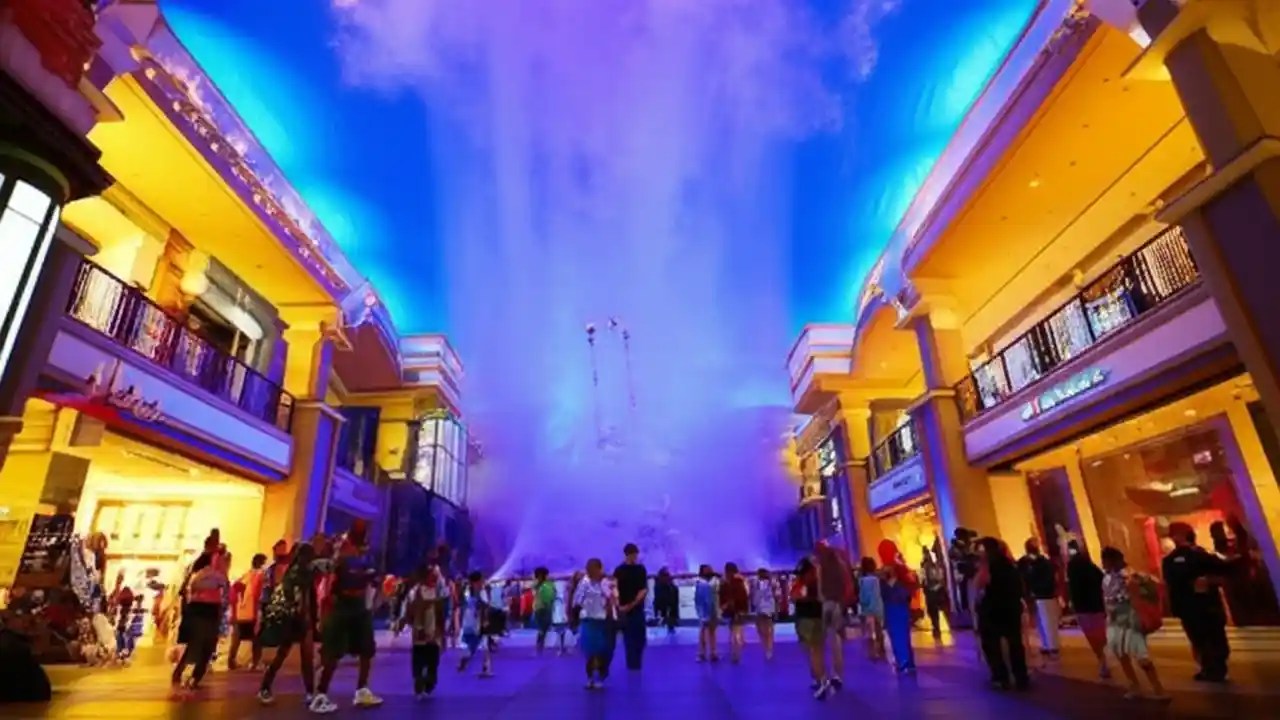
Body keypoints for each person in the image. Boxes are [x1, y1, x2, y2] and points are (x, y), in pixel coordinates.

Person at [315, 523, 383, 710]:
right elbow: (329, 585)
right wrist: (324, 612)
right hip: (342, 606)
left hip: (359, 607)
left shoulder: (364, 558)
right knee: (333, 652)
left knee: (366, 649)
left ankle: (362, 690)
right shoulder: (340, 557)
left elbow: (372, 580)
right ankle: (321, 693)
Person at [1162, 522, 1230, 682]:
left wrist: (1208, 581)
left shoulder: (1180, 558)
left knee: (1206, 638)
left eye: (1174, 533)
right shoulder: (1195, 555)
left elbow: (1223, 574)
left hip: (1200, 606)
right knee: (1205, 638)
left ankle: (1213, 668)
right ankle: (1211, 668)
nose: (1172, 537)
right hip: (1199, 606)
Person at [1102, 546, 1170, 701]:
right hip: (1115, 620)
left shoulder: (1131, 576)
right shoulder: (1107, 577)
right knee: (1122, 654)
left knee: (1141, 655)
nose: (1103, 563)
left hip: (1130, 618)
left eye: (1105, 560)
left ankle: (1158, 689)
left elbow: (1146, 592)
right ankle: (1135, 686)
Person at [258, 543, 320, 710]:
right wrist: (309, 617)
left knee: (288, 654)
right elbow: (302, 598)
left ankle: (267, 687)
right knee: (298, 656)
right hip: (298, 619)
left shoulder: (294, 573)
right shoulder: (300, 574)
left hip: (295, 619)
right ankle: (308, 692)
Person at [975, 537, 1029, 690]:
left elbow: (980, 585)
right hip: (1011, 608)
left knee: (992, 644)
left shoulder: (989, 566)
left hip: (993, 609)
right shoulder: (1010, 565)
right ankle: (1020, 675)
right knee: (1015, 643)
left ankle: (1000, 676)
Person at [172, 549, 228, 694]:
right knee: (205, 646)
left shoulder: (197, 575)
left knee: (197, 645)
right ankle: (192, 677)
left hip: (201, 611)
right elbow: (222, 589)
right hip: (207, 611)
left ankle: (182, 674)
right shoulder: (212, 575)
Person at [1065, 540, 1110, 679]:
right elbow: (1101, 578)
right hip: (1096, 604)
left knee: (1091, 634)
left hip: (1083, 606)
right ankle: (1104, 657)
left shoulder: (1072, 566)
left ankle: (1102, 659)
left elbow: (1073, 587)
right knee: (1099, 632)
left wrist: (1072, 602)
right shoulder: (1090, 565)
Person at [401, 564, 447, 700]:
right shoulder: (415, 592)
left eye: (435, 576)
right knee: (419, 661)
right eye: (432, 576)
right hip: (420, 633)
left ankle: (429, 685)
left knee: (433, 662)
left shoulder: (439, 592)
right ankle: (419, 685)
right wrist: (414, 624)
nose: (434, 578)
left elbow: (442, 612)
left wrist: (443, 633)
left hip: (434, 632)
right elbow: (408, 611)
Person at [572, 558, 617, 689]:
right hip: (588, 621)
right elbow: (577, 601)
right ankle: (591, 677)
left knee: (604, 651)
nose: (590, 571)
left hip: (603, 622)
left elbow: (612, 599)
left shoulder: (605, 582)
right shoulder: (584, 583)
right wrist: (574, 617)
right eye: (588, 568)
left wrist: (612, 611)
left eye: (594, 568)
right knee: (591, 651)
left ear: (599, 569)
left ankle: (601, 676)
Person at [814, 541, 852, 689]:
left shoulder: (820, 566)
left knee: (823, 641)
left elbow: (819, 591)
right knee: (836, 640)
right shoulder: (840, 564)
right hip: (838, 603)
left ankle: (823, 675)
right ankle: (838, 674)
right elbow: (847, 585)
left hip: (826, 604)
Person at [877, 540, 918, 675]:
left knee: (896, 634)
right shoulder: (901, 566)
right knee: (905, 634)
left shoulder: (888, 569)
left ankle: (903, 661)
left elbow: (889, 586)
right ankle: (909, 662)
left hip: (892, 605)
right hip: (903, 604)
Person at [791, 557, 829, 699]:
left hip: (805, 618)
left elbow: (794, 596)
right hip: (818, 617)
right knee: (818, 650)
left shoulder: (802, 583)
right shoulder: (819, 581)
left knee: (811, 651)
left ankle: (820, 680)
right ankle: (821, 678)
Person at [1018, 538, 1061, 657]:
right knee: (1043, 621)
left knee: (1046, 621)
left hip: (1042, 595)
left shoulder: (1039, 563)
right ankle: (1048, 645)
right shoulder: (1035, 562)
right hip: (1040, 595)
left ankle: (1051, 646)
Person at [612, 543, 649, 671]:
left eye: (636, 554)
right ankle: (633, 664)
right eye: (633, 554)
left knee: (640, 638)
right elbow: (614, 589)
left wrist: (631, 604)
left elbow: (643, 589)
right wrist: (619, 605)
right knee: (629, 638)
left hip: (636, 608)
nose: (635, 557)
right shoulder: (619, 570)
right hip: (625, 609)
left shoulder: (640, 569)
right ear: (627, 555)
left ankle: (636, 662)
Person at [229, 553, 268, 671]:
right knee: (257, 637)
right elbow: (258, 593)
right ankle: (255, 662)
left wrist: (235, 608)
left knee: (237, 637)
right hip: (253, 610)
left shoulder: (246, 575)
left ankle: (231, 661)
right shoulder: (261, 575)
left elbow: (234, 590)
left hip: (241, 611)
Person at [456, 571, 495, 677]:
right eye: (481, 580)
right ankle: (485, 667)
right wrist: (486, 619)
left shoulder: (467, 591)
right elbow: (485, 607)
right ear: (476, 582)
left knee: (475, 645)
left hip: (469, 620)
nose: (483, 582)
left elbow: (464, 605)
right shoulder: (480, 592)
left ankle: (467, 662)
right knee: (481, 645)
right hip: (477, 622)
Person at [720, 562, 749, 663]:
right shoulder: (740, 582)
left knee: (733, 632)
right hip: (739, 610)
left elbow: (722, 598)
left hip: (730, 610)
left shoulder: (724, 583)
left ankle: (734, 653)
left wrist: (723, 607)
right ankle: (736, 653)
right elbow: (744, 597)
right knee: (736, 632)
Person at [857, 557, 885, 660]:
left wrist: (862, 603)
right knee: (879, 629)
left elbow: (863, 596)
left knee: (870, 631)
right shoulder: (877, 579)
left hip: (867, 609)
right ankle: (881, 650)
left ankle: (872, 652)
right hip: (878, 607)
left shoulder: (862, 581)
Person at [750, 568, 779, 660]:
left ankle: (767, 648)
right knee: (768, 631)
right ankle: (769, 649)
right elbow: (777, 597)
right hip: (768, 609)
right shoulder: (770, 584)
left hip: (762, 610)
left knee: (763, 631)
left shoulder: (758, 584)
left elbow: (754, 598)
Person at [693, 564, 720, 662]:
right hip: (703, 610)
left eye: (710, 569)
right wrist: (700, 611)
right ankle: (702, 653)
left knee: (712, 631)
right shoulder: (699, 582)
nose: (709, 571)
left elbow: (718, 595)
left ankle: (713, 652)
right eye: (706, 569)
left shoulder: (716, 581)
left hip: (714, 609)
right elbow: (698, 598)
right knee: (703, 632)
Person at [920, 548, 947, 639]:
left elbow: (937, 578)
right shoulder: (927, 566)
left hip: (933, 590)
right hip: (932, 590)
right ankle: (936, 626)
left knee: (933, 610)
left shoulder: (930, 566)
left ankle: (936, 626)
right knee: (933, 610)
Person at [532, 567, 557, 654]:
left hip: (542, 608)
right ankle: (539, 647)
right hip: (543, 608)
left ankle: (540, 647)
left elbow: (554, 593)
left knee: (543, 628)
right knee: (543, 628)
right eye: (546, 574)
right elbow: (553, 594)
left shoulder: (540, 584)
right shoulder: (545, 584)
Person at [653, 568, 680, 635]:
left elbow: (675, 602)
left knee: (671, 611)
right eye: (665, 575)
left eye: (667, 575)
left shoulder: (673, 587)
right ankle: (667, 625)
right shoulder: (658, 586)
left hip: (670, 604)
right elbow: (657, 599)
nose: (667, 577)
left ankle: (670, 626)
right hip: (663, 603)